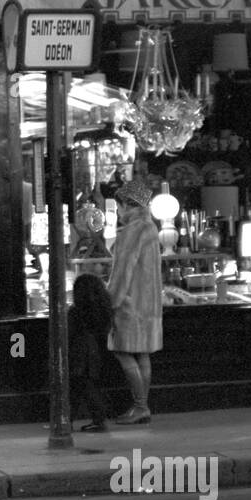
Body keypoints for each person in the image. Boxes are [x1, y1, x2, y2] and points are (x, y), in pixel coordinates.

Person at [107, 178, 163, 425]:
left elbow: (122, 271)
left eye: (119, 206)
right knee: (142, 353)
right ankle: (143, 406)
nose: (118, 211)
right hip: (149, 304)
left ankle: (140, 407)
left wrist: (111, 302)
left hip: (129, 304)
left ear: (127, 205)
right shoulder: (150, 228)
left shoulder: (131, 231)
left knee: (121, 350)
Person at [68, 272, 113, 433]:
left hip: (80, 353)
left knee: (81, 387)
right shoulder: (102, 308)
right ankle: (71, 419)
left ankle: (96, 420)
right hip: (94, 352)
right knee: (84, 386)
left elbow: (70, 332)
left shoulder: (76, 312)